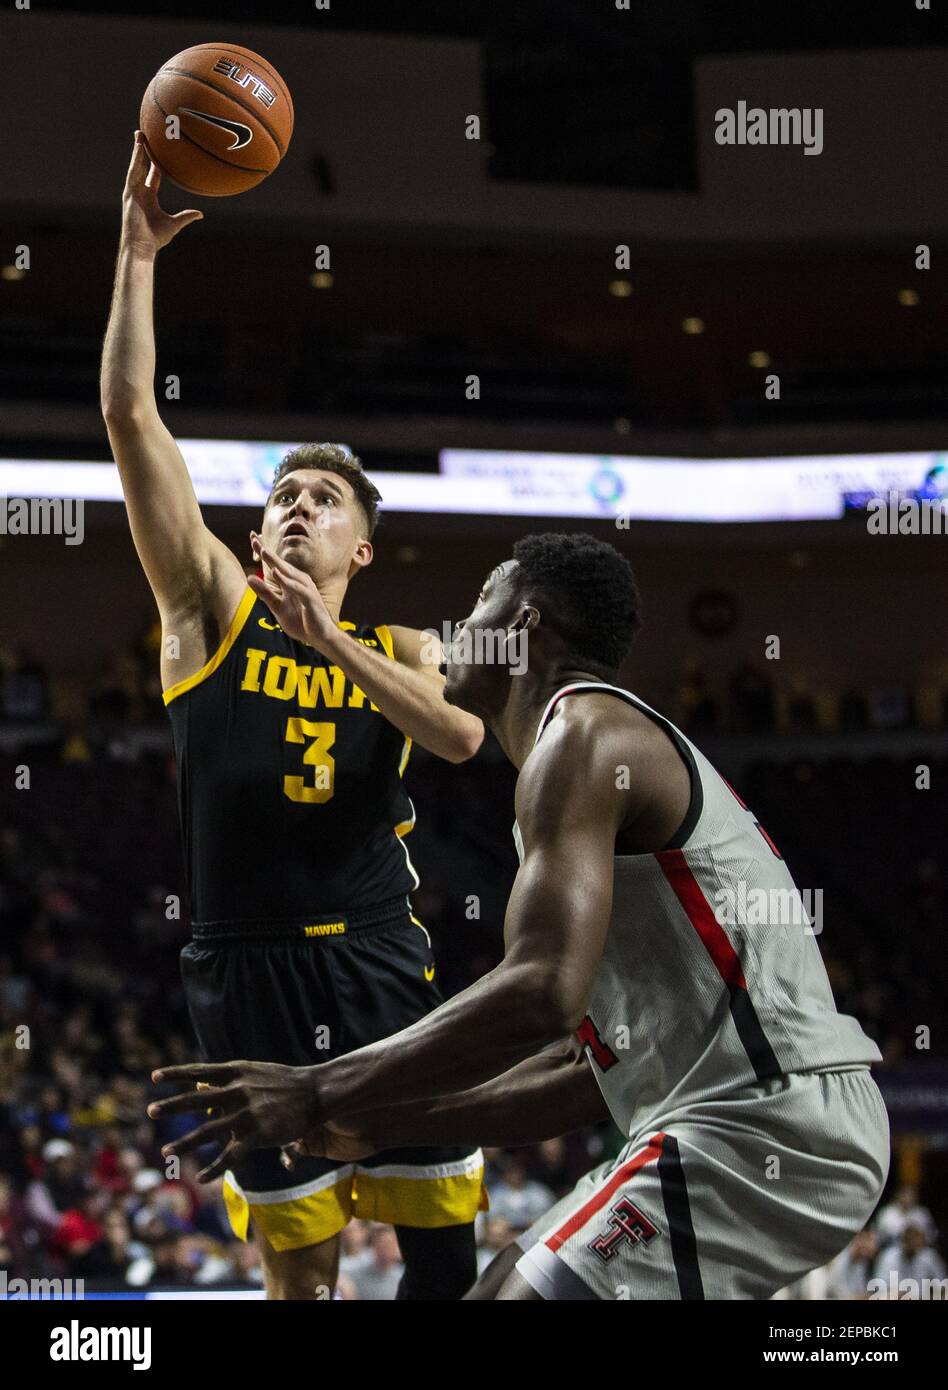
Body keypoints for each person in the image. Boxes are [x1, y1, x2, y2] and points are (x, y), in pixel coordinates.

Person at [150, 532, 890, 1300]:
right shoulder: (577, 755)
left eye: (478, 606)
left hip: (765, 1120)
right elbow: (583, 1076)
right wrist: (394, 1118)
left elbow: (541, 992)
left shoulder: (584, 735)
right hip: (736, 1116)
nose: (455, 629)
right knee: (502, 1283)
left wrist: (318, 1089)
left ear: (526, 623)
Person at [100, 132, 486, 1300]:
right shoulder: (205, 608)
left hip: (378, 960)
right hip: (248, 973)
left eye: (324, 499)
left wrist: (331, 644)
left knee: (442, 1259)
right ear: (258, 536)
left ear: (360, 547)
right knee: (301, 1276)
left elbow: (464, 736)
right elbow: (129, 415)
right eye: (283, 496)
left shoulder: (402, 644)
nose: (298, 507)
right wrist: (135, 250)